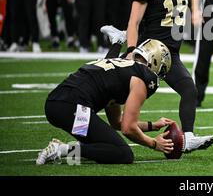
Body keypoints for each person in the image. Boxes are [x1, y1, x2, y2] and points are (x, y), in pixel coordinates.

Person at [127, 0, 213, 152]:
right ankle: (91, 133)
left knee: (189, 90)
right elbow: (134, 22)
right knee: (123, 99)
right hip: (149, 54)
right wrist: (130, 50)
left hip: (170, 55)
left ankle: (188, 137)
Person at [36, 33, 175, 165]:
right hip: (74, 106)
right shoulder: (143, 77)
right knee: (123, 154)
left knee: (100, 146)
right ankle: (61, 149)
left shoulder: (121, 68)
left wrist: (153, 125)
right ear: (155, 62)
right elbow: (128, 129)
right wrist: (154, 143)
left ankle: (66, 151)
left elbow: (117, 122)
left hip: (56, 105)